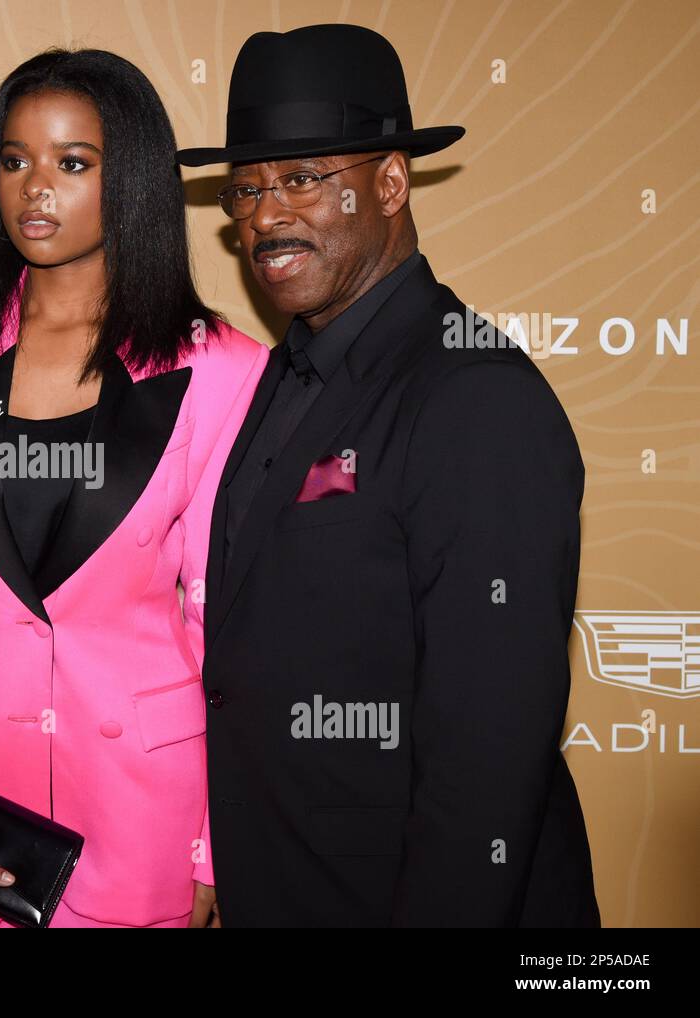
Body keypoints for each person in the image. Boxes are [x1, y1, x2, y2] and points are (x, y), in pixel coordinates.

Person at [176, 24, 600, 926]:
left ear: (392, 183)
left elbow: (489, 750)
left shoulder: (473, 392)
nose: (263, 216)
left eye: (301, 180)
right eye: (244, 190)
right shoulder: (282, 375)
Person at [0, 48, 267, 927]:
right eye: (14, 161)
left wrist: (210, 845)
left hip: (144, 811)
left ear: (133, 179)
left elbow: (220, 622)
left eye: (72, 163)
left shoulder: (222, 369)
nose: (36, 188)